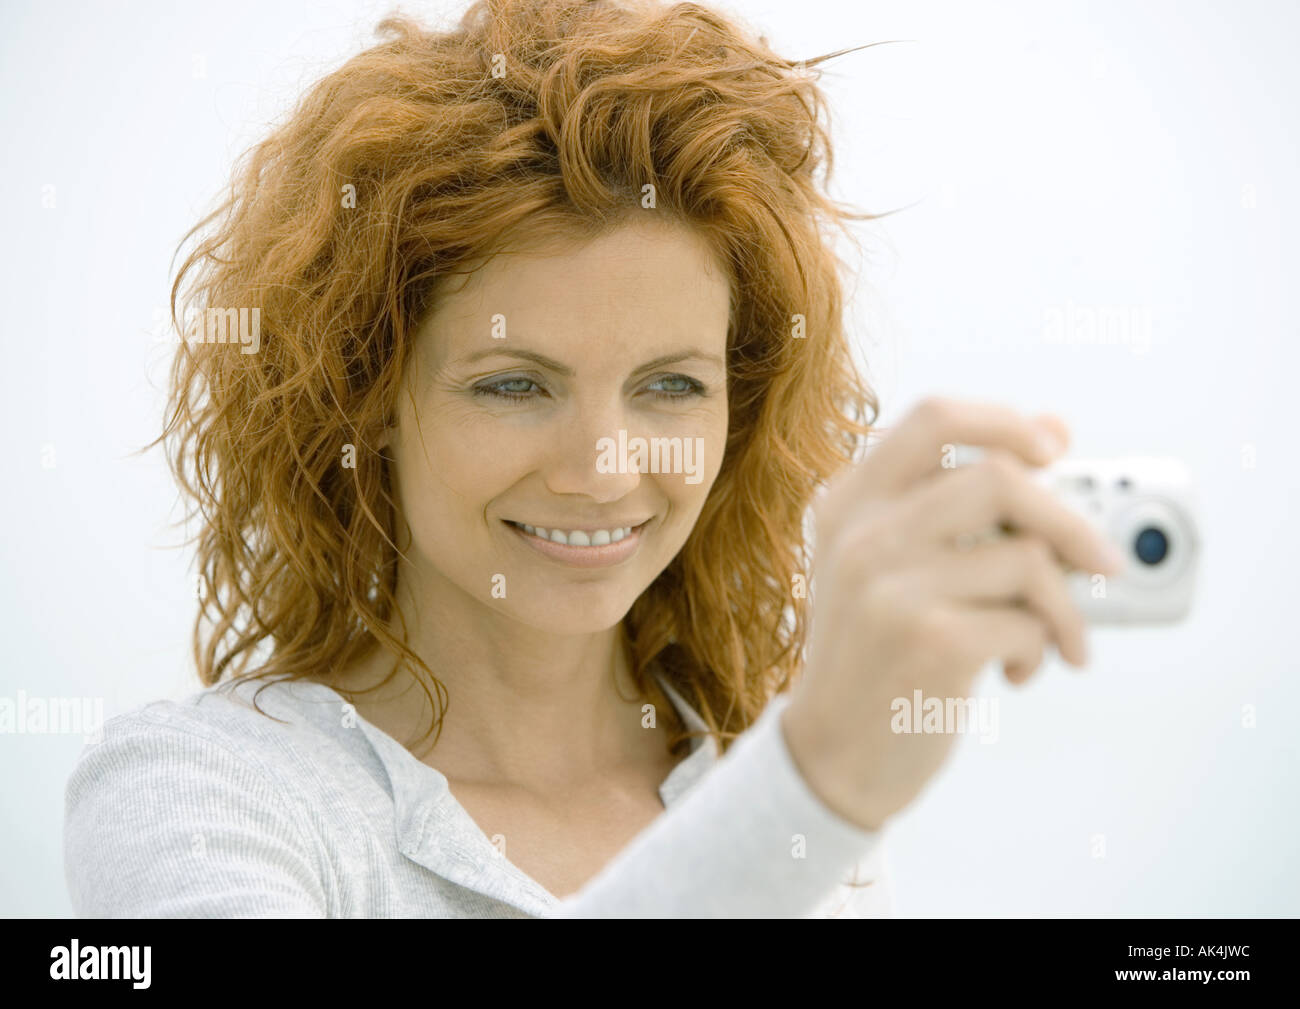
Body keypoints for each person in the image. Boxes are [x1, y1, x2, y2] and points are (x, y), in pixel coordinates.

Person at [63, 0, 1123, 917]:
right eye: (514, 384)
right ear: (371, 400)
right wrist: (815, 785)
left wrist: (804, 792)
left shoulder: (769, 802)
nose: (602, 469)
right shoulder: (201, 794)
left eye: (670, 385)